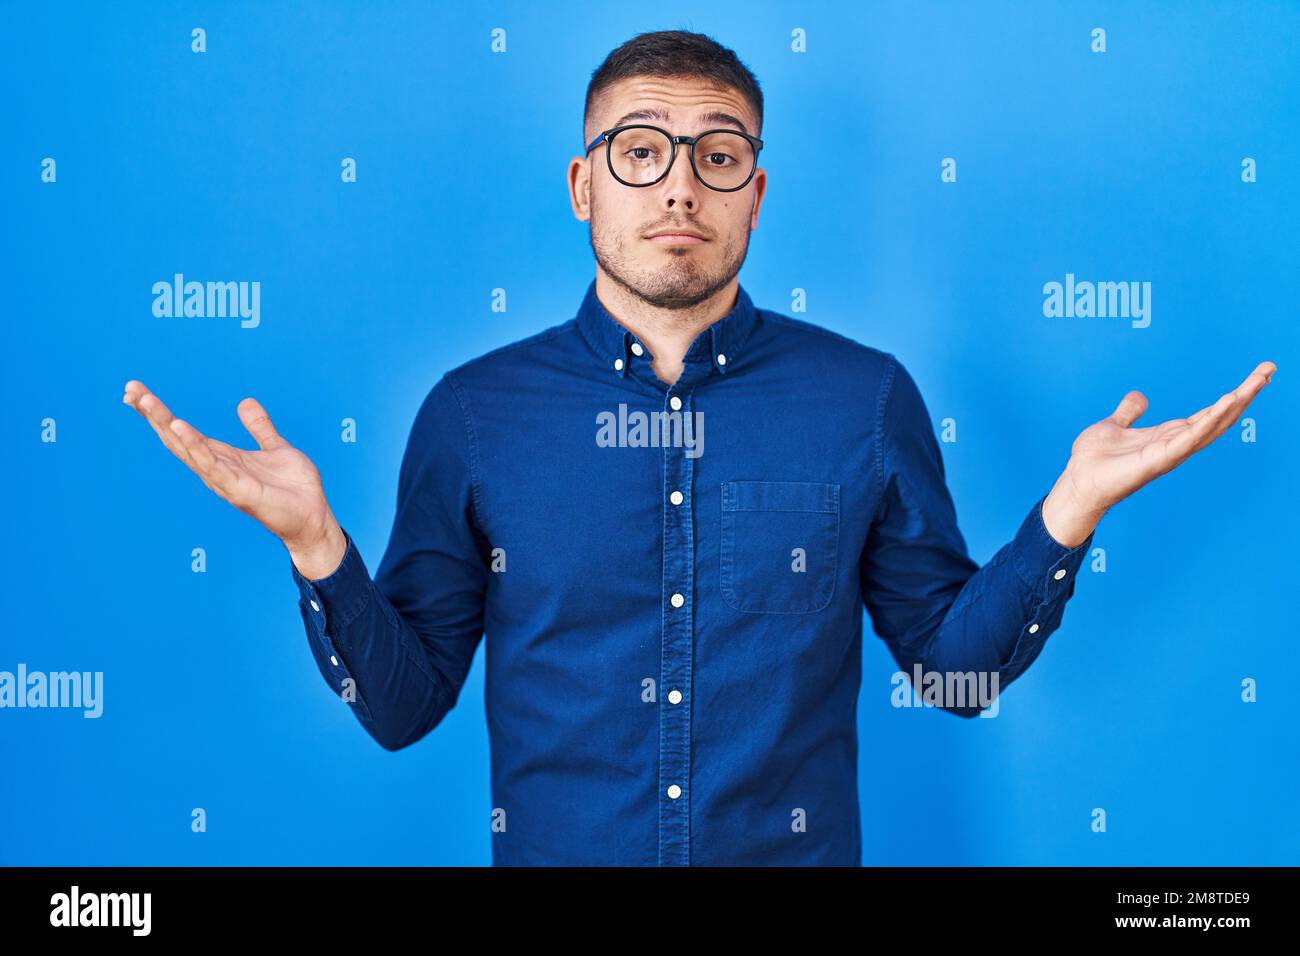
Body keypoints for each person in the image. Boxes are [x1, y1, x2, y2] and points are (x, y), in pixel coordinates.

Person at [123, 30, 1275, 866]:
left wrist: (1067, 513)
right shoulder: (474, 413)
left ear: (756, 193)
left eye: (716, 155)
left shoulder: (862, 399)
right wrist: (317, 546)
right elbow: (403, 706)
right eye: (638, 150)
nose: (678, 182)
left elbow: (949, 675)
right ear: (584, 185)